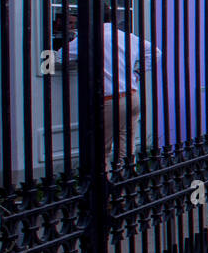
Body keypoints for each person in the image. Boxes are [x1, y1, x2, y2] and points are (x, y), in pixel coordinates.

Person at [68, 15, 160, 169]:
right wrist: (138, 73)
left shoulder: (89, 38)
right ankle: (125, 186)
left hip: (110, 100)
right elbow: (155, 52)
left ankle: (105, 189)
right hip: (132, 96)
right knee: (126, 146)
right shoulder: (127, 37)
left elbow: (61, 56)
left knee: (101, 148)